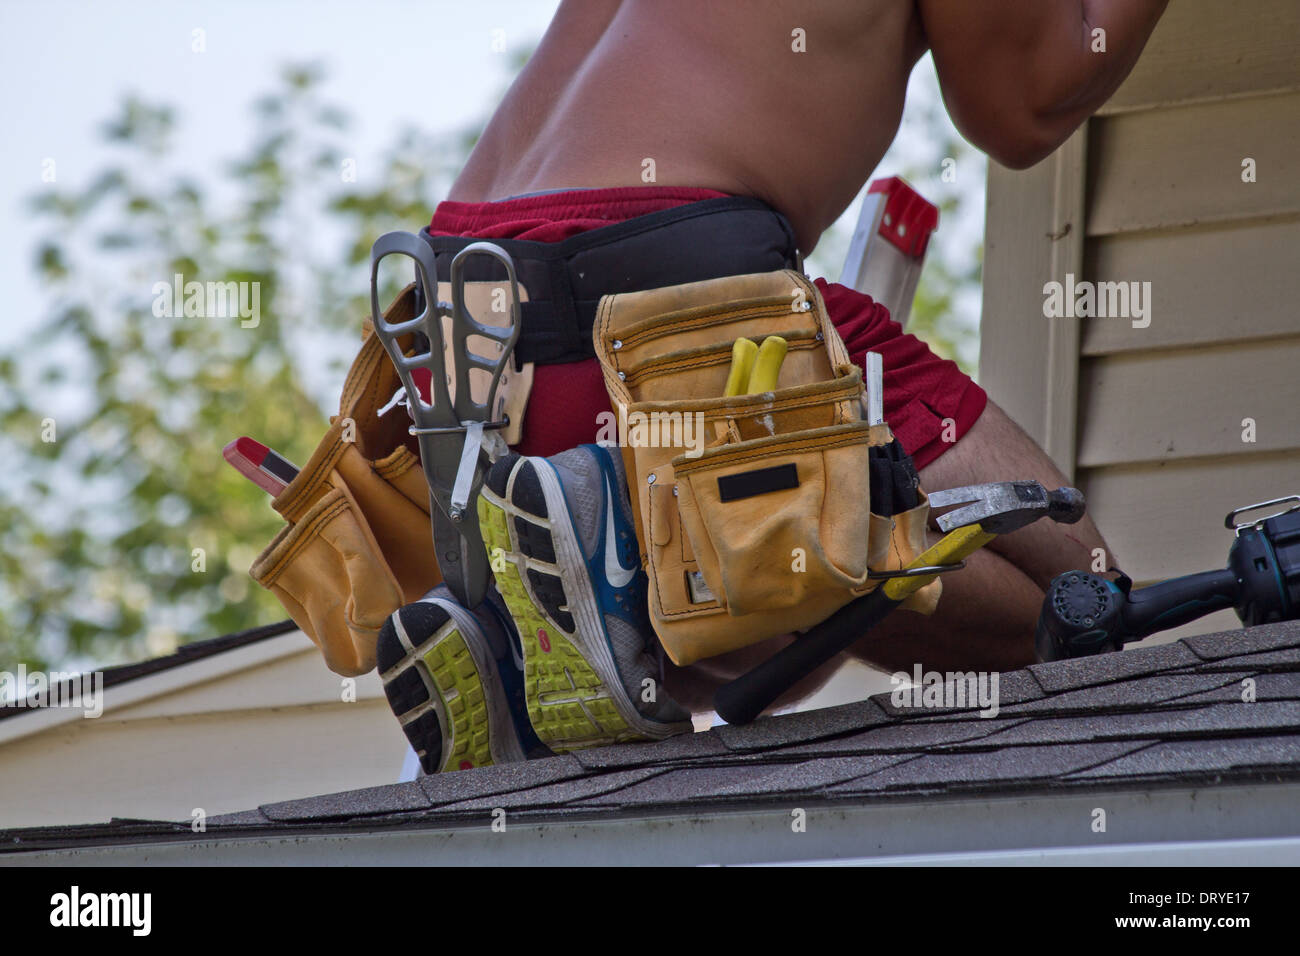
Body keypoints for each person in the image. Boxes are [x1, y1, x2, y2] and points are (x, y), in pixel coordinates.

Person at [378, 0, 1170, 772]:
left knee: (734, 638)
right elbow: (1021, 106)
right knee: (1080, 602)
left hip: (461, 338)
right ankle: (613, 526)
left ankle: (519, 636)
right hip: (667, 308)